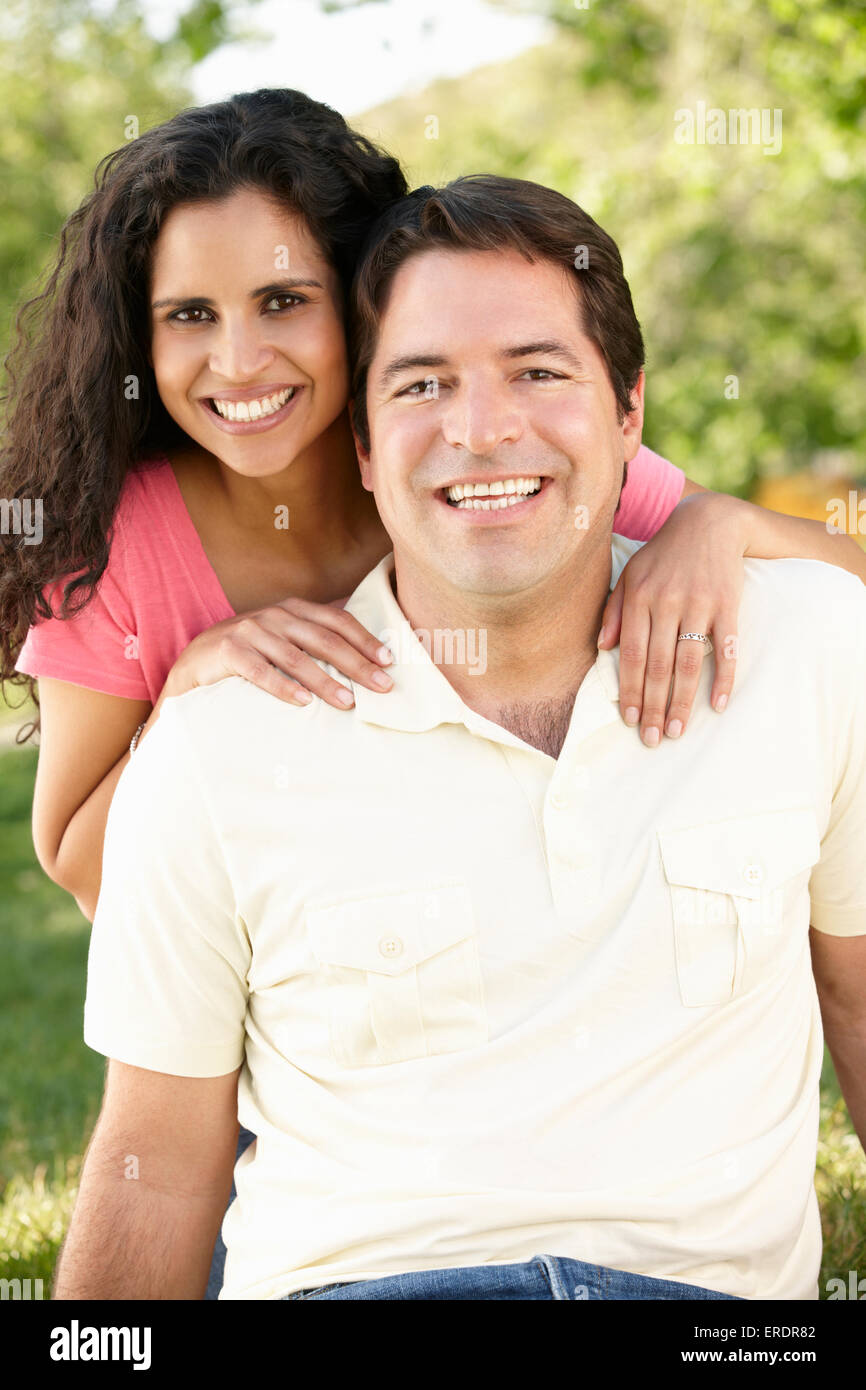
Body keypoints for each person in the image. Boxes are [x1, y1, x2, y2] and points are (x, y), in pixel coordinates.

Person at [6, 92, 863, 1299]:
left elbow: (835, 580)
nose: (239, 359)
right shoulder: (125, 539)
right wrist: (190, 698)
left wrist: (720, 523)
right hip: (292, 1018)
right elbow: (77, 852)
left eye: (284, 303)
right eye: (188, 316)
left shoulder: (515, 458)